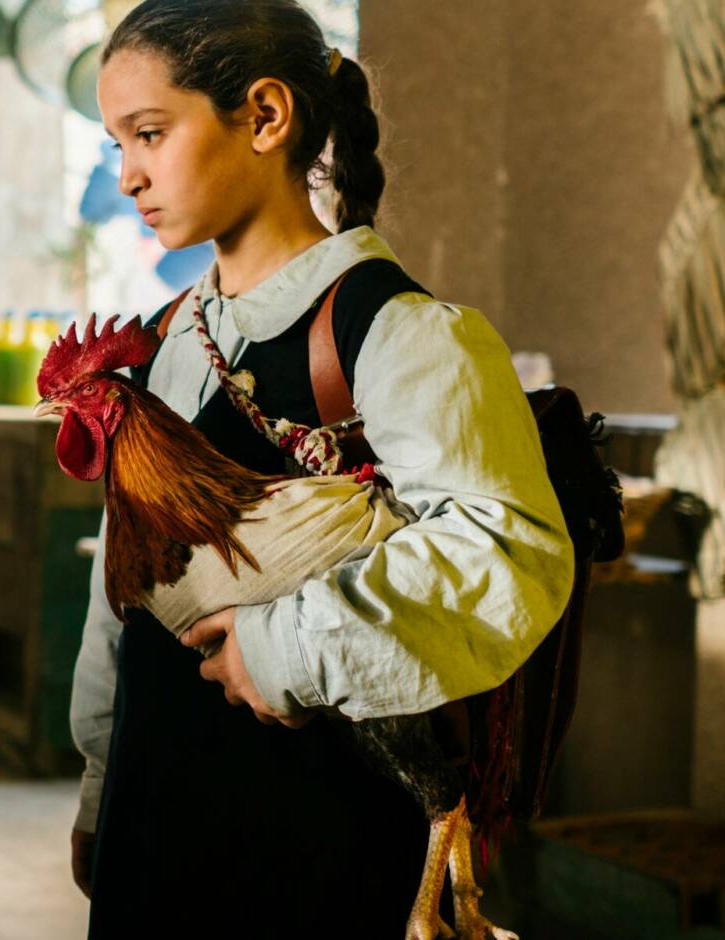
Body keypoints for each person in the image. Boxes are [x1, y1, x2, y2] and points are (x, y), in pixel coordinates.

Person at [66, 2, 573, 936]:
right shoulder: (175, 337)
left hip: (315, 834)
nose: (127, 174)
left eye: (149, 134)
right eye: (116, 142)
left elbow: (509, 551)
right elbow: (125, 592)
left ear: (264, 117)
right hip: (159, 806)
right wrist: (103, 774)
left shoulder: (400, 333)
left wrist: (286, 648)